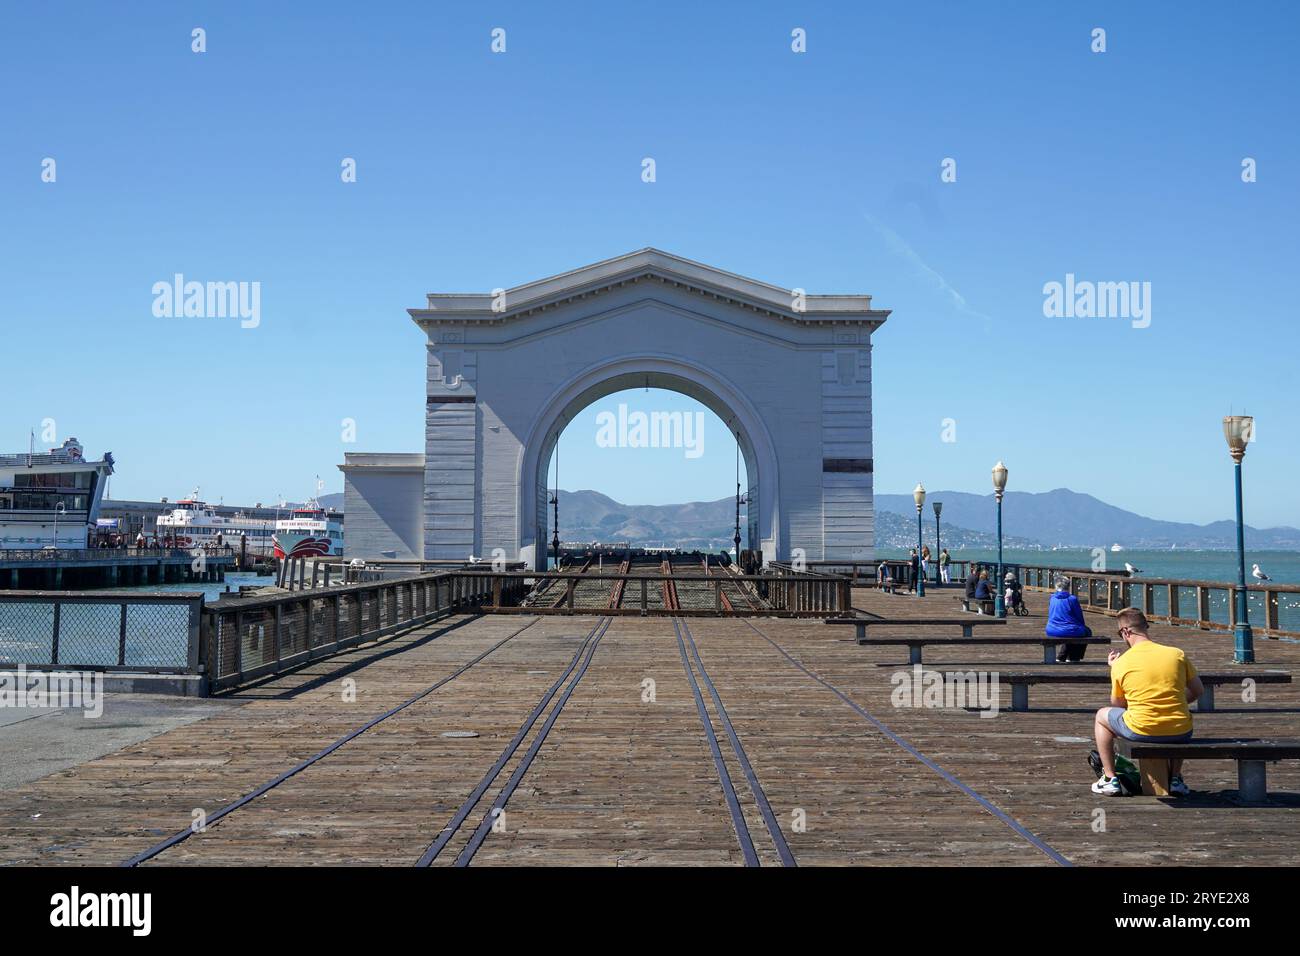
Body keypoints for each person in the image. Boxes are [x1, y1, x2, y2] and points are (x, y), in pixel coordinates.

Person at [1092, 608, 1202, 797]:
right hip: (1180, 731)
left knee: (1101, 715)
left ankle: (1110, 779)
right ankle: (1175, 778)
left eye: (1121, 634)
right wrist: (1174, 701)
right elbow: (1198, 691)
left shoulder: (1122, 662)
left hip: (1141, 729)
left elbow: (1118, 704)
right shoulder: (1176, 654)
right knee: (1182, 713)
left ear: (1126, 631)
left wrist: (1114, 668)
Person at [1046, 576, 1091, 661]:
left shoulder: (1052, 598)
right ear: (1068, 586)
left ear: (1056, 586)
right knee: (1086, 631)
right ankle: (1074, 657)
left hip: (1051, 629)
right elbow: (1079, 618)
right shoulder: (1072, 599)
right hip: (1069, 630)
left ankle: (1062, 656)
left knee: (1070, 630)